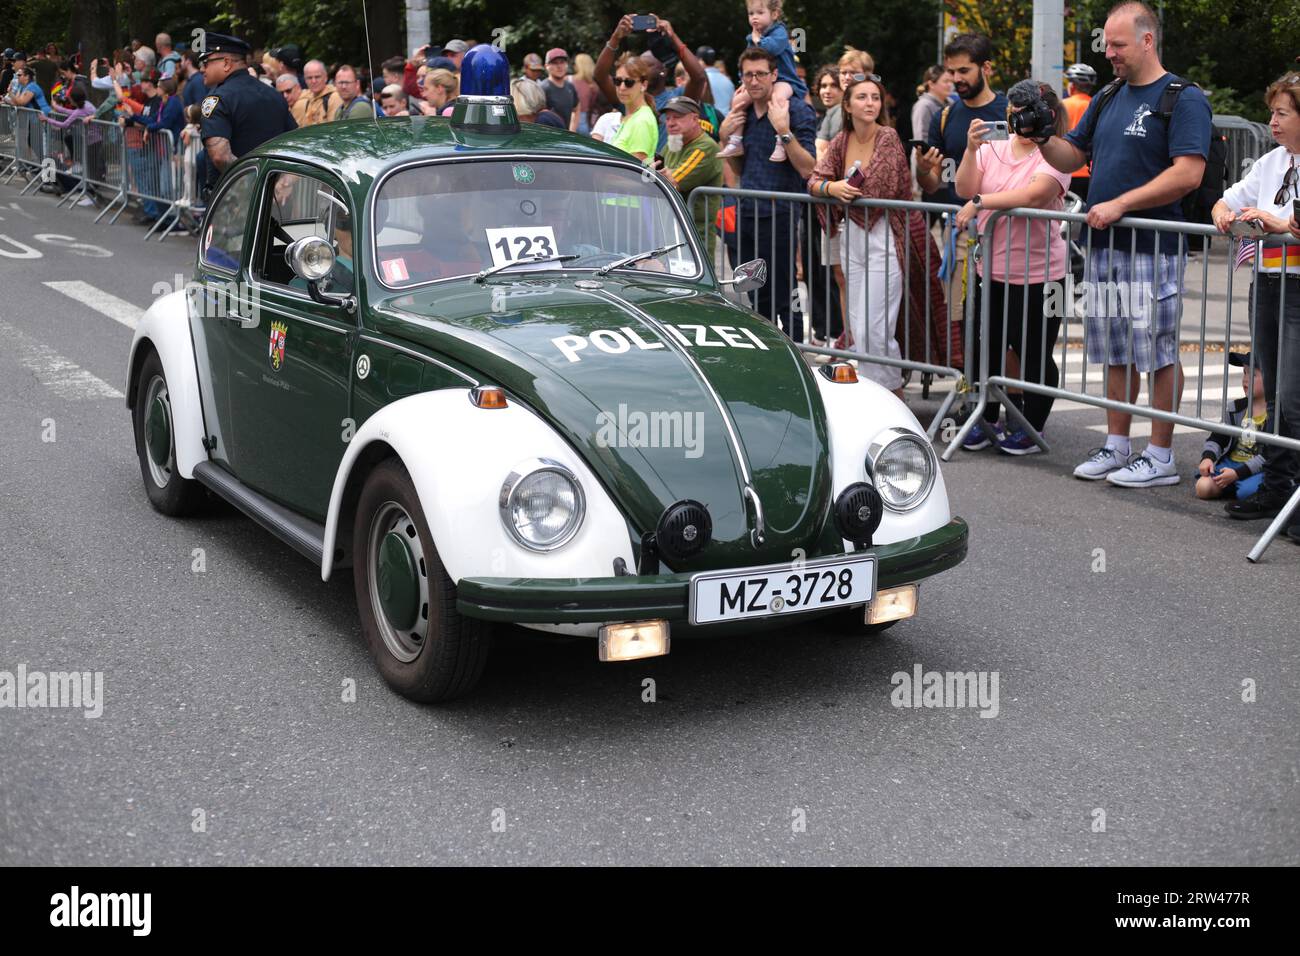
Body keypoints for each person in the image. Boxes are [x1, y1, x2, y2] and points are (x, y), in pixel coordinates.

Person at [1038, 1, 1212, 488]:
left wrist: (1121, 204)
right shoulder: (1110, 94)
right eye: (1107, 44)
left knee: (1156, 349)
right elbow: (1072, 152)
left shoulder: (1184, 96)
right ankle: (1117, 445)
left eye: (1117, 44)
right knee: (1115, 349)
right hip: (1106, 242)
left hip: (1154, 243)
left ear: (1147, 40)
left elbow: (1188, 173)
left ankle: (1160, 455)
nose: (1108, 53)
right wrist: (1039, 135)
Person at [953, 80, 1073, 452]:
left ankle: (1030, 425)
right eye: (1013, 109)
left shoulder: (1058, 154)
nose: (1016, 117)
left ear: (1045, 115)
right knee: (983, 347)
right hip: (990, 270)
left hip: (1041, 274)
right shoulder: (992, 148)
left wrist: (981, 201)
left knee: (1035, 352)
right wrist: (971, 151)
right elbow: (962, 188)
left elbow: (1036, 193)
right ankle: (984, 415)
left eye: (1025, 110)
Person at [1210, 71, 1300, 528]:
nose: (1273, 121)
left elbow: (1292, 223)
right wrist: (1226, 214)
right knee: (1280, 395)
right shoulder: (1271, 162)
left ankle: (1294, 497)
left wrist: (1277, 223)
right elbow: (1223, 201)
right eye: (1272, 112)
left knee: (1295, 395)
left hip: (1298, 287)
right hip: (1268, 282)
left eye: (1282, 113)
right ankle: (1276, 488)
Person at [807, 76, 910, 395]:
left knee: (876, 328)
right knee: (857, 324)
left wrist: (839, 189)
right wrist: (832, 187)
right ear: (848, 105)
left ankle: (890, 392)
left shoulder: (888, 136)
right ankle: (873, 391)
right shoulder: (841, 139)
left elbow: (879, 187)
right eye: (862, 97)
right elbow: (814, 181)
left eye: (875, 98)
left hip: (884, 235)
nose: (870, 103)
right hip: (851, 235)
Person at [720, 45, 817, 340]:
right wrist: (726, 136)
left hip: (781, 212)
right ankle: (765, 342)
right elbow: (738, 168)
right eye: (748, 75)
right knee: (754, 286)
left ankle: (796, 344)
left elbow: (807, 167)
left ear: (774, 75)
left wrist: (784, 131)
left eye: (761, 74)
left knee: (785, 286)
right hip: (748, 210)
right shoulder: (743, 113)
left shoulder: (797, 110)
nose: (754, 81)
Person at [199, 33, 297, 193]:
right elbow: (295, 143)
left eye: (206, 62)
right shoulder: (272, 94)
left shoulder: (218, 99)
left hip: (234, 201)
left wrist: (257, 185)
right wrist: (284, 182)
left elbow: (220, 156)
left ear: (226, 63)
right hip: (277, 199)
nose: (202, 68)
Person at [719, 0, 808, 160]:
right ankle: (736, 140)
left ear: (774, 14)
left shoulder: (779, 32)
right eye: (751, 13)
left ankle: (781, 142)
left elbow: (771, 49)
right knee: (738, 99)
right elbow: (747, 62)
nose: (754, 17)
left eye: (760, 13)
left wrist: (757, 40)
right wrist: (743, 83)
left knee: (778, 99)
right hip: (761, 80)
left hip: (784, 80)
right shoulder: (751, 38)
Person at [1195, 352, 1268, 502]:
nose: (1245, 379)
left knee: (1246, 494)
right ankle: (1232, 483)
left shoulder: (1276, 415)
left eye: (1252, 375)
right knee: (1203, 487)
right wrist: (1208, 458)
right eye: (1244, 372)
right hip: (1232, 463)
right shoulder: (1236, 408)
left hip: (1258, 469)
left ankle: (1236, 484)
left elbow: (1269, 456)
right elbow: (1218, 437)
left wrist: (1238, 473)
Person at [658, 95, 724, 258]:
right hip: (672, 233)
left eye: (677, 117)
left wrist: (653, 173)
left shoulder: (706, 147)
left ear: (695, 119)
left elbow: (672, 181)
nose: (671, 123)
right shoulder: (674, 142)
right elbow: (655, 172)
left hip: (694, 237)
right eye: (668, 118)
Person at [605, 55, 658, 163]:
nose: (622, 87)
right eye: (618, 81)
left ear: (644, 85)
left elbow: (634, 174)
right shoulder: (632, 117)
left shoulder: (641, 121)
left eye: (629, 82)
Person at [1062, 62, 1097, 200]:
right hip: (1092, 171)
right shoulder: (1097, 105)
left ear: (1072, 86)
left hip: (1067, 169)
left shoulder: (1062, 106)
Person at [541, 49, 579, 132]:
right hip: (549, 138)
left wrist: (572, 131)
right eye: (554, 63)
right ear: (546, 66)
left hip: (566, 138)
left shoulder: (570, 86)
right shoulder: (542, 88)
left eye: (562, 62)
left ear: (567, 64)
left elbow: (576, 107)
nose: (559, 66)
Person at [299, 60, 341, 125]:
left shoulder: (334, 97)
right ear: (305, 80)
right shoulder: (305, 99)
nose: (313, 81)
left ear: (326, 77)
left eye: (317, 77)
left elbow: (334, 128)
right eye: (309, 78)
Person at [697, 45, 735, 114]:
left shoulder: (700, 81)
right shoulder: (728, 81)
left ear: (701, 61)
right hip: (728, 120)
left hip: (711, 122)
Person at [572, 53, 599, 134]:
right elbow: (592, 106)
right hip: (586, 123)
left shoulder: (568, 80)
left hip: (570, 120)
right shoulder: (593, 86)